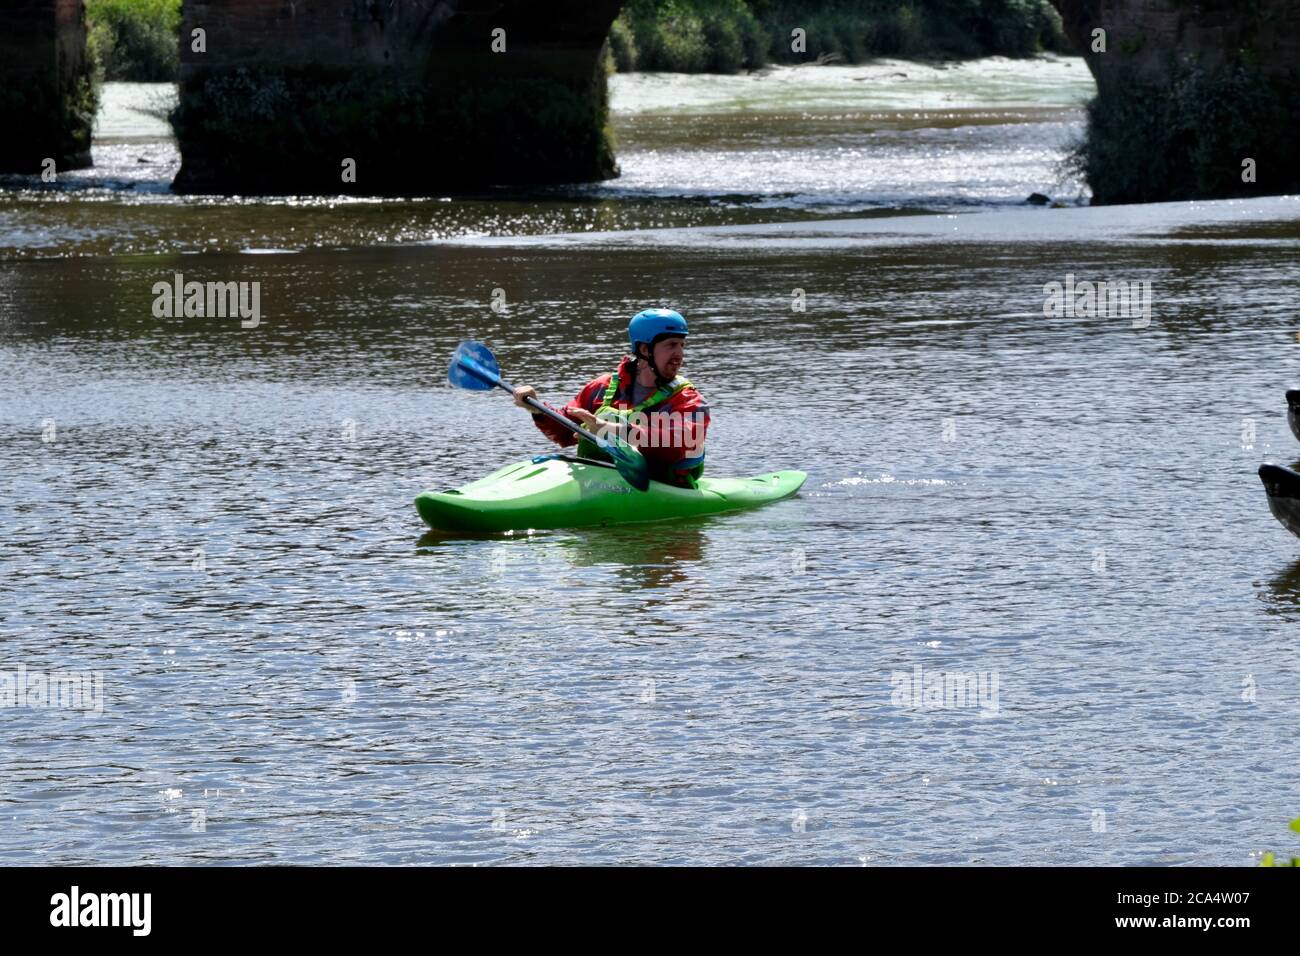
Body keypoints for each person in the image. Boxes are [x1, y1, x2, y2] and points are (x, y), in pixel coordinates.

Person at [512, 309, 710, 487]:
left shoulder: (689, 399)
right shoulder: (602, 387)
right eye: (672, 345)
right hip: (600, 481)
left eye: (682, 345)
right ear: (644, 350)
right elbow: (565, 433)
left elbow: (682, 443)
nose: (680, 354)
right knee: (604, 415)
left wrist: (611, 430)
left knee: (609, 419)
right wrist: (537, 408)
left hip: (661, 485)